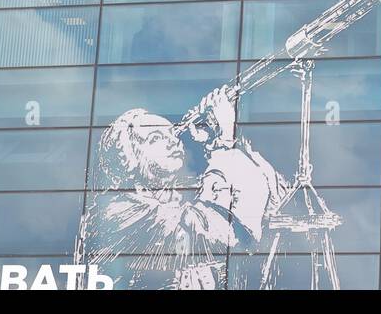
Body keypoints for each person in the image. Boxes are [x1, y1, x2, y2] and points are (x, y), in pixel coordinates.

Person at [75, 86, 287, 289]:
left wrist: (215, 143)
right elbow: (229, 233)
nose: (172, 141)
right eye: (155, 138)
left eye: (172, 133)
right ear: (128, 158)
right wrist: (224, 142)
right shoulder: (119, 213)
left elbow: (273, 202)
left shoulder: (180, 199)